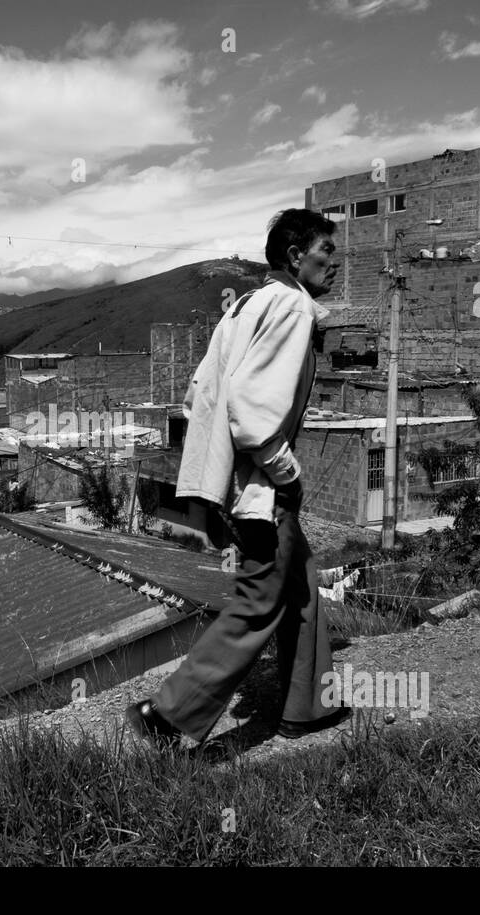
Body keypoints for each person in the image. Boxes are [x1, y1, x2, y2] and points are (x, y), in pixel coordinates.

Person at [126, 208, 350, 747]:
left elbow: (199, 389)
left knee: (302, 588)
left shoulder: (248, 303)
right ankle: (168, 715)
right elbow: (251, 413)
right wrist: (284, 471)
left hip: (240, 483)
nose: (335, 264)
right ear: (296, 256)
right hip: (264, 489)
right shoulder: (294, 308)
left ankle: (306, 706)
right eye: (326, 252)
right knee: (258, 601)